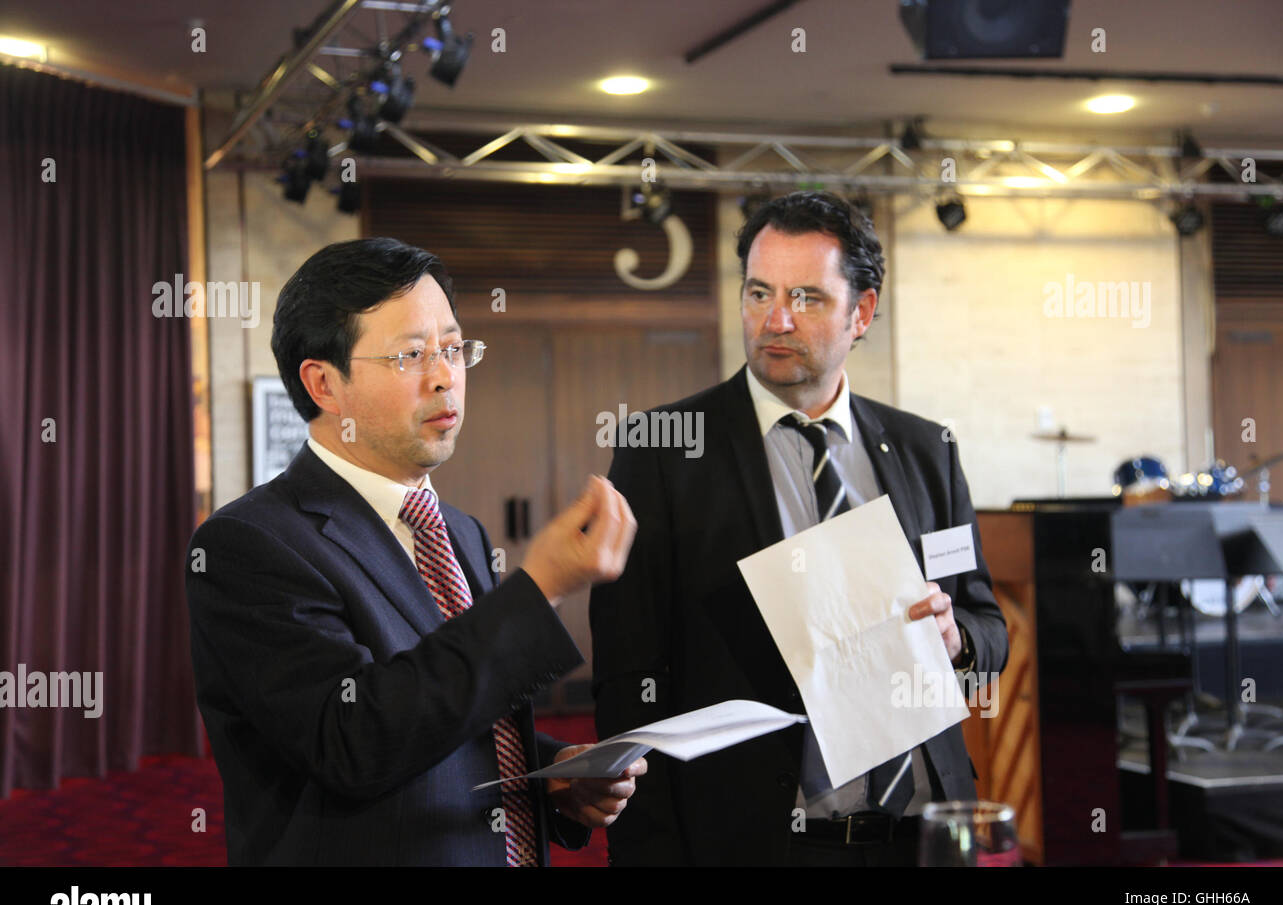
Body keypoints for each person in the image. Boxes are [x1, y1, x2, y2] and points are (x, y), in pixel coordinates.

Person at [187, 237, 643, 866]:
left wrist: (551, 772)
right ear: (323, 382)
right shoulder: (250, 544)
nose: (444, 376)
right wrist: (536, 592)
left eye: (454, 349)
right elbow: (353, 741)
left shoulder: (460, 531)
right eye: (410, 355)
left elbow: (455, 713)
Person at [590, 191, 1008, 866]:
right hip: (758, 841)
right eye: (759, 292)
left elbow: (990, 626)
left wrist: (957, 639)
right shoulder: (664, 450)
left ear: (861, 313)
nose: (775, 319)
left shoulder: (929, 450)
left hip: (924, 836)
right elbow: (626, 677)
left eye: (808, 298)